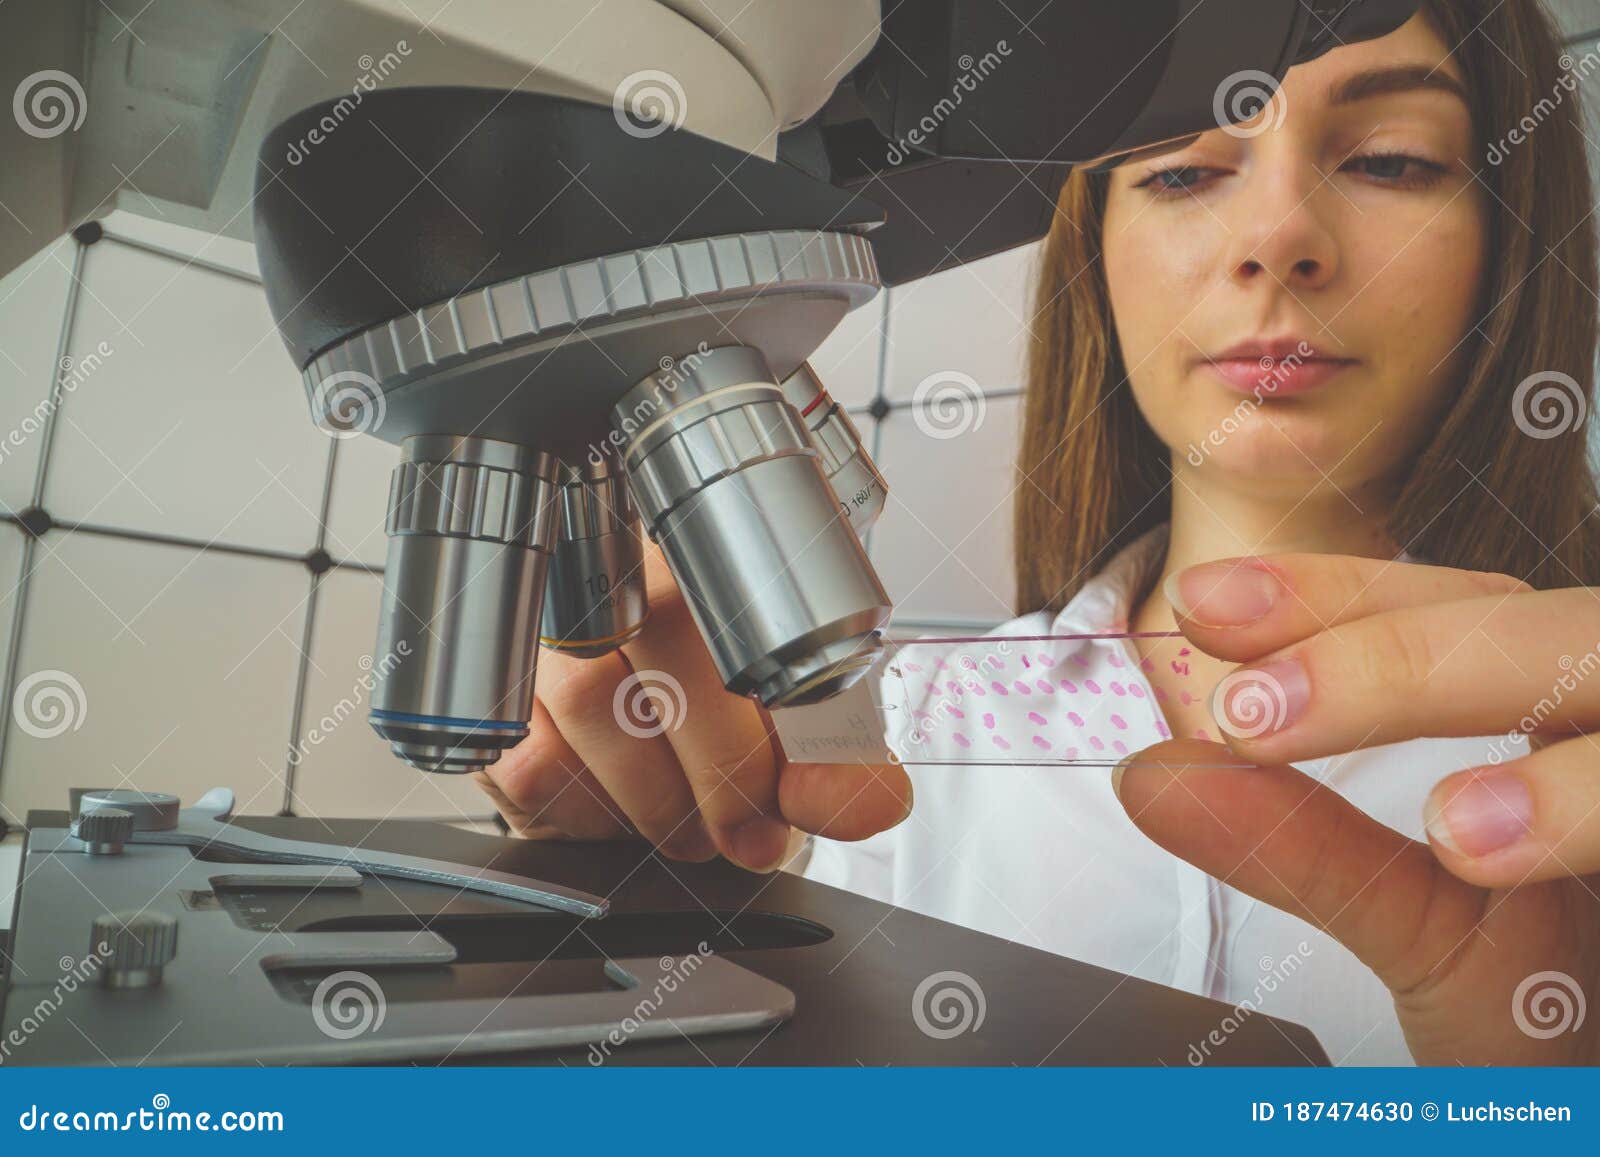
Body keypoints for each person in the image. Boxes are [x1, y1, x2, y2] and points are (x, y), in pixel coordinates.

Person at [473, 0, 1600, 1065]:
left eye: (1388, 159)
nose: (1277, 235)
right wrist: (603, 885)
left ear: (1511, 235)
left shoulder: (1571, 784)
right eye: (1182, 166)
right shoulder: (864, 754)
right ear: (1094, 252)